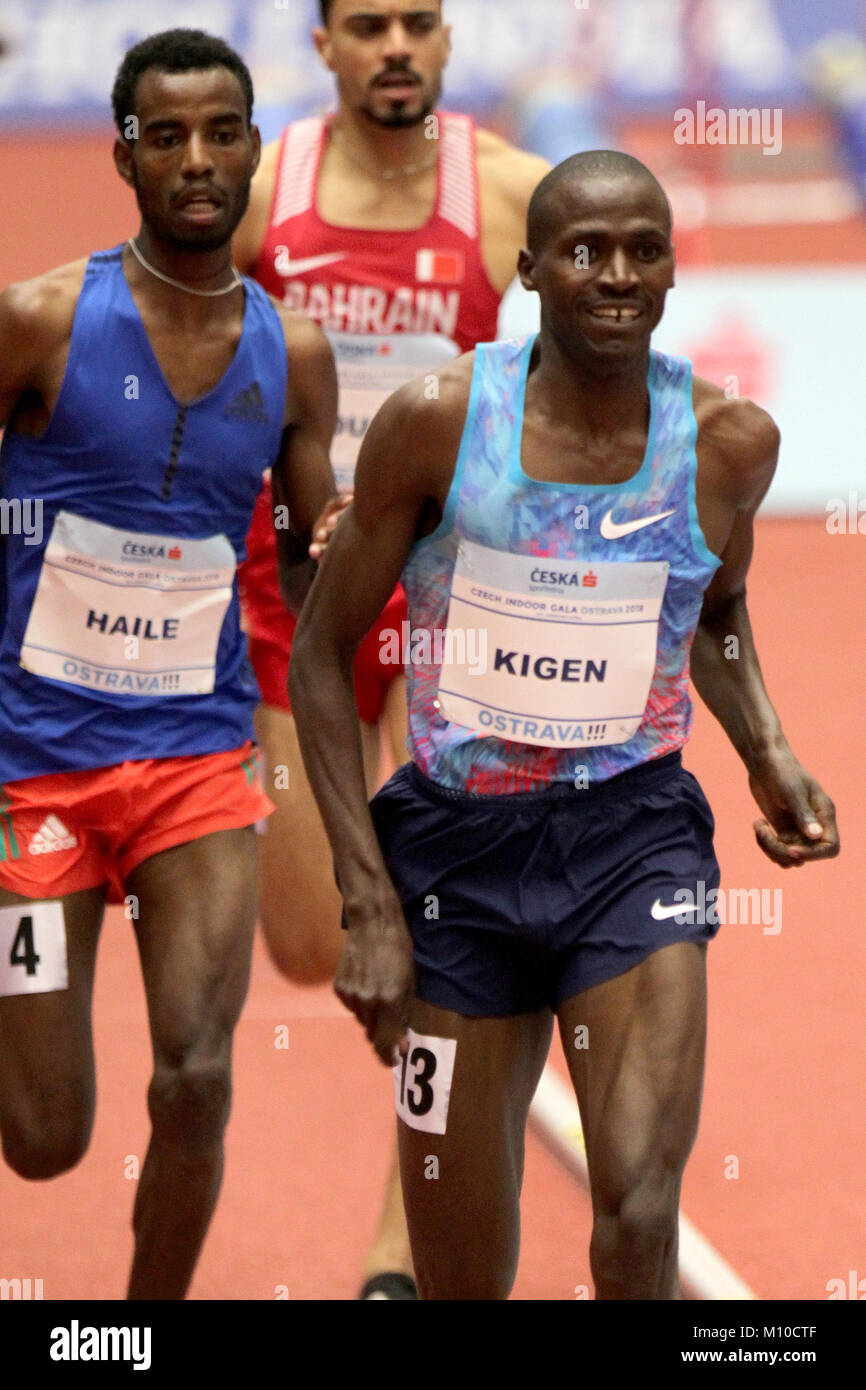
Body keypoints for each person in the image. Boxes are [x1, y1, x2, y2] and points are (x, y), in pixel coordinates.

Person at [288, 150, 840, 1299]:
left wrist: (767, 747)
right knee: (461, 1278)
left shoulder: (728, 443)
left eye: (644, 249)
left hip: (628, 839)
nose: (616, 274)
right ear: (531, 267)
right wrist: (367, 901)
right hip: (453, 858)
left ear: (672, 269)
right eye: (585, 250)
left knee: (637, 1205)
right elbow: (319, 659)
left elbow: (712, 607)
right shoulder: (438, 423)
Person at [0, 28, 338, 1300]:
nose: (197, 161)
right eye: (166, 136)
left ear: (254, 148)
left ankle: (145, 1330)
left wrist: (358, 548)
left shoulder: (293, 357)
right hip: (29, 781)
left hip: (194, 765)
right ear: (123, 156)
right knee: (44, 1143)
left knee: (197, 1071)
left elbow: (307, 568)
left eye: (222, 133)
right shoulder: (37, 321)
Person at [231, 0, 550, 1298]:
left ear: (447, 36)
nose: (397, 45)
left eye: (419, 18)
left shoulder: (513, 196)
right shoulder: (260, 194)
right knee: (313, 943)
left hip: (447, 600)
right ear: (322, 44)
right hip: (288, 598)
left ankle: (394, 1249)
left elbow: (611, 346)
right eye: (368, 23)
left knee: (441, 930)